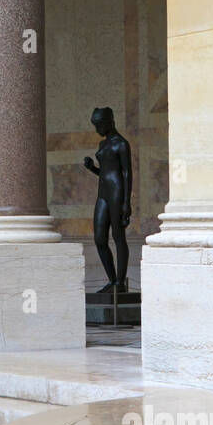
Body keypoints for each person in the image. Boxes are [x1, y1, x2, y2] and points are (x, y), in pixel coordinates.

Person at [83, 106, 132, 293]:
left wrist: (126, 203)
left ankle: (120, 283)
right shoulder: (102, 145)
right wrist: (92, 168)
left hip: (117, 193)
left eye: (98, 125)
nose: (97, 130)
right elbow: (104, 172)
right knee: (99, 238)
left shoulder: (121, 144)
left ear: (109, 122)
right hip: (103, 193)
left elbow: (127, 174)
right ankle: (112, 280)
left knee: (118, 237)